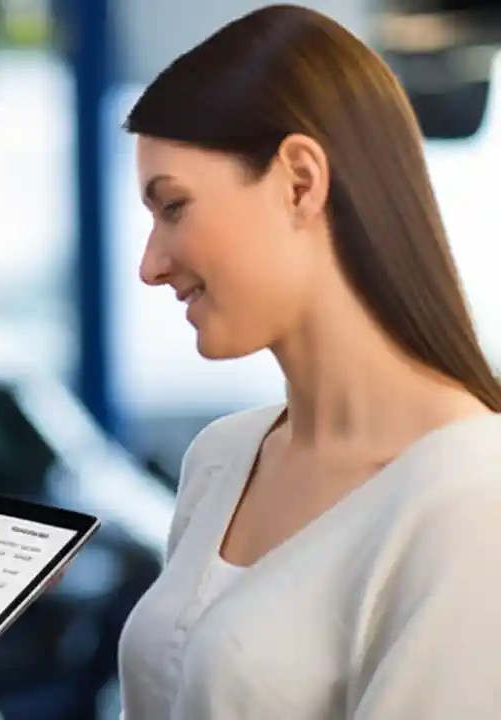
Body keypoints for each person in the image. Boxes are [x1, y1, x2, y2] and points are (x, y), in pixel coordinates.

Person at [116, 4, 501, 719]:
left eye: (173, 207)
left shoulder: (473, 496)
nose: (151, 264)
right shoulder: (222, 459)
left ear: (299, 180)